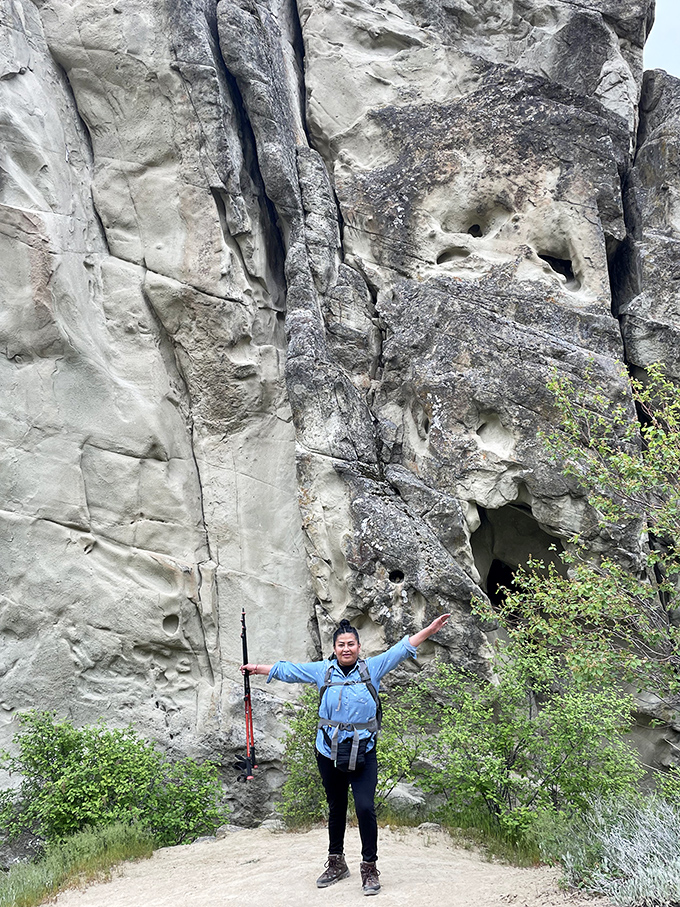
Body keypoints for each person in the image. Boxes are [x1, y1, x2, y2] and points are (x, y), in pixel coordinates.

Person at [240, 611, 450, 895]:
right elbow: (290, 670)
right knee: (336, 807)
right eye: (341, 645)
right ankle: (336, 862)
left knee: (365, 807)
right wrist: (257, 668)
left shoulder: (371, 668)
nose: (346, 649)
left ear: (359, 648)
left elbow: (402, 650)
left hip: (363, 752)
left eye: (351, 644)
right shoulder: (323, 671)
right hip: (328, 752)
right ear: (335, 648)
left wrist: (430, 629)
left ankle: (369, 867)